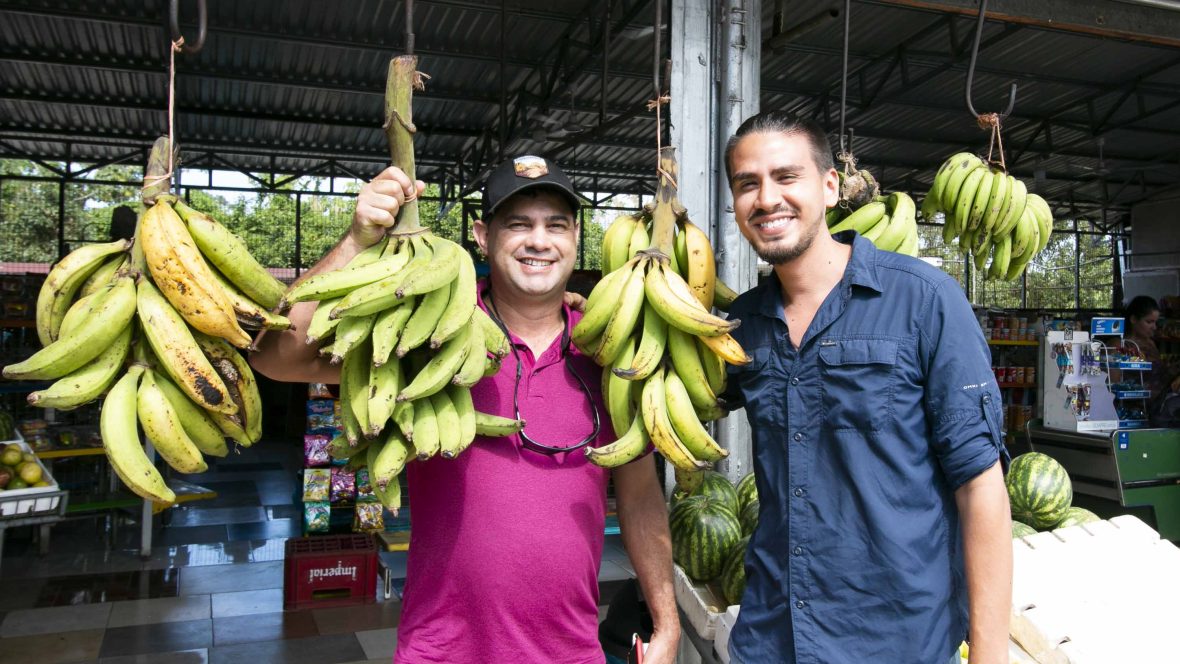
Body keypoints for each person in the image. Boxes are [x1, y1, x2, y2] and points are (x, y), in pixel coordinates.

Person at [251, 156, 678, 664]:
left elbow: (641, 497)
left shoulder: (610, 353)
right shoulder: (428, 333)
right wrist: (355, 241)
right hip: (442, 650)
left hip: (571, 650)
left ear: (576, 237)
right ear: (482, 235)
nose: (538, 241)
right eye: (518, 225)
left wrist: (667, 622)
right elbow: (274, 358)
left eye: (555, 225)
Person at [719, 110, 1012, 664]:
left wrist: (990, 655)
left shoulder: (924, 301)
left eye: (786, 177)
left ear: (829, 187)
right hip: (772, 640)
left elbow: (981, 487)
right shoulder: (742, 325)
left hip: (896, 642)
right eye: (747, 184)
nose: (766, 199)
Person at [1121, 295, 1180, 420]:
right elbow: (1114, 384)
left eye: (1155, 322)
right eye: (1149, 322)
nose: (1154, 327)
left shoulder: (1151, 344)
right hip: (1136, 409)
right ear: (1133, 319)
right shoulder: (1120, 345)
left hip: (1161, 406)